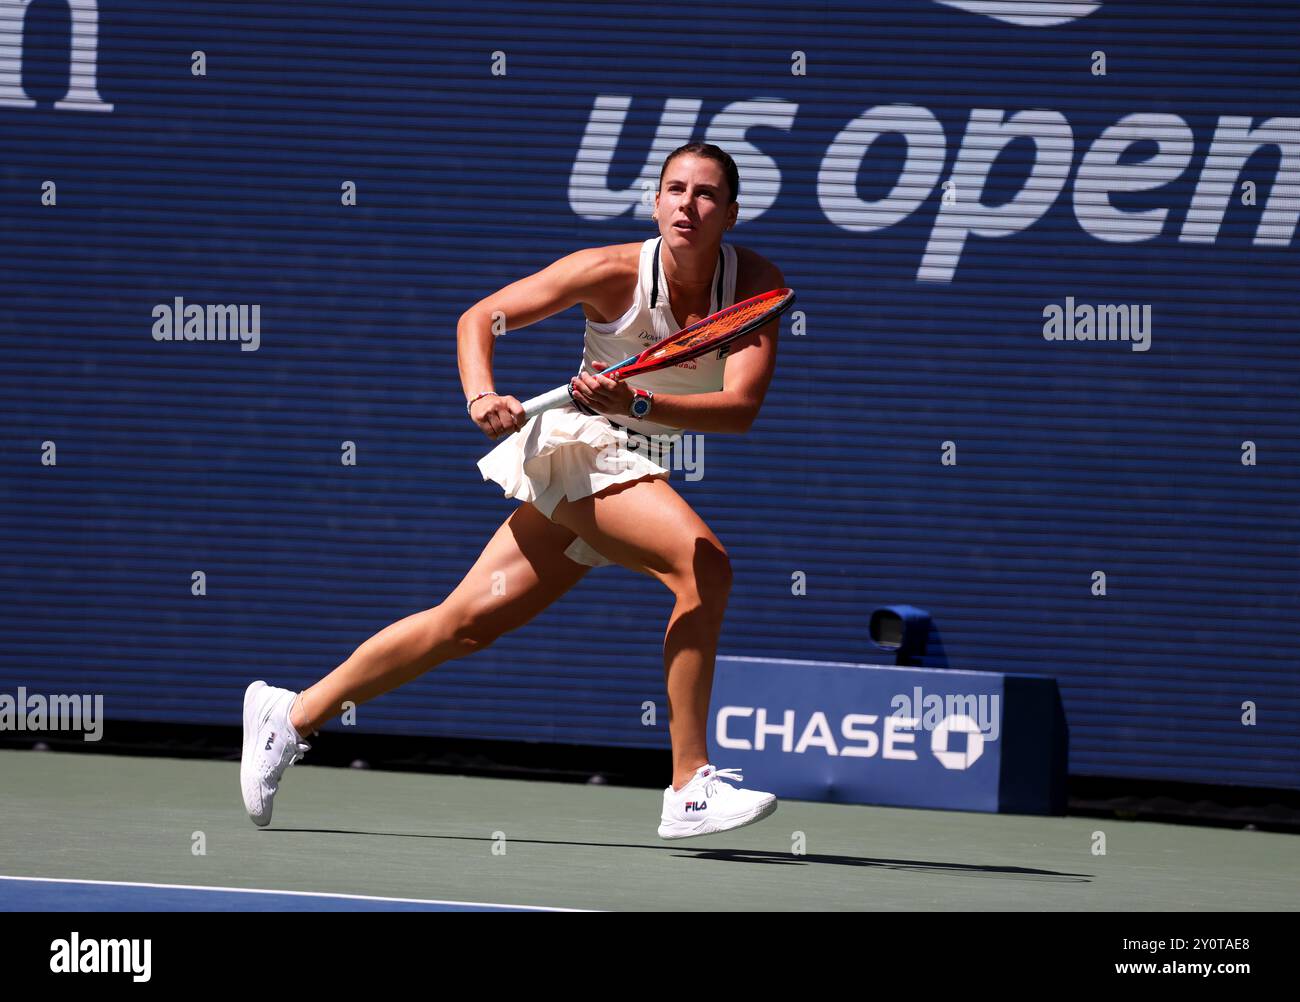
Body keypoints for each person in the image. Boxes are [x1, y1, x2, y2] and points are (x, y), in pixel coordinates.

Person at [241, 142, 786, 839]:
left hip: (638, 454)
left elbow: (740, 409)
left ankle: (289, 715)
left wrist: (640, 402)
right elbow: (480, 319)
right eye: (674, 189)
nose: (688, 204)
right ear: (655, 203)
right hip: (581, 448)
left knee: (463, 625)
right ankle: (688, 786)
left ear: (731, 214)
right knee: (702, 566)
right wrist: (480, 395)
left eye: (706, 194)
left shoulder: (757, 287)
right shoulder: (610, 272)